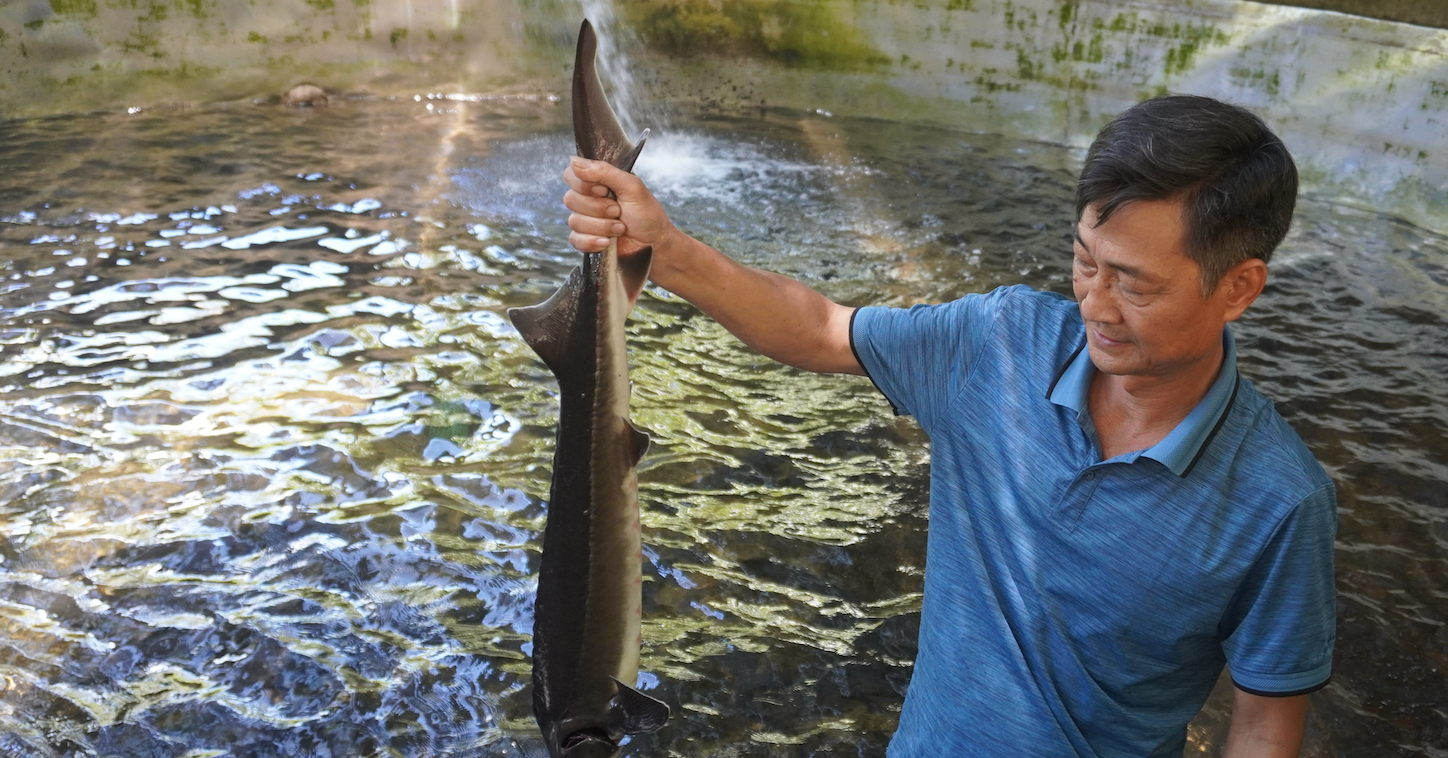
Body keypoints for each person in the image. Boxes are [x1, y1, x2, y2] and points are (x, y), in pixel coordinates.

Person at [559, 95, 1336, 758]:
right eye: (1085, 262)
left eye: (1134, 284)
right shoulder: (999, 345)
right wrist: (668, 252)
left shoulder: (1279, 502)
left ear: (1239, 287)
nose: (1095, 305)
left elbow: (1266, 724)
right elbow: (822, 330)